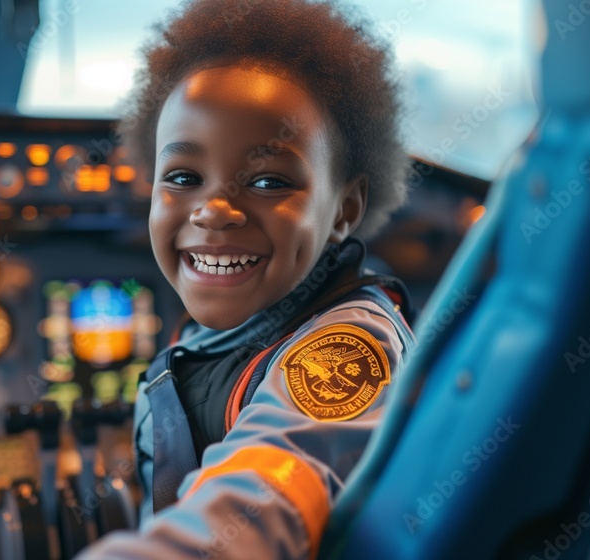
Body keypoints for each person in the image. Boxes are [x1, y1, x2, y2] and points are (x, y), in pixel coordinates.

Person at [79, 0, 415, 557]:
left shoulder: (349, 348)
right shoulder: (219, 335)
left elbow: (268, 494)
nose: (213, 210)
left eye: (267, 182)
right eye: (184, 176)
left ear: (343, 210)